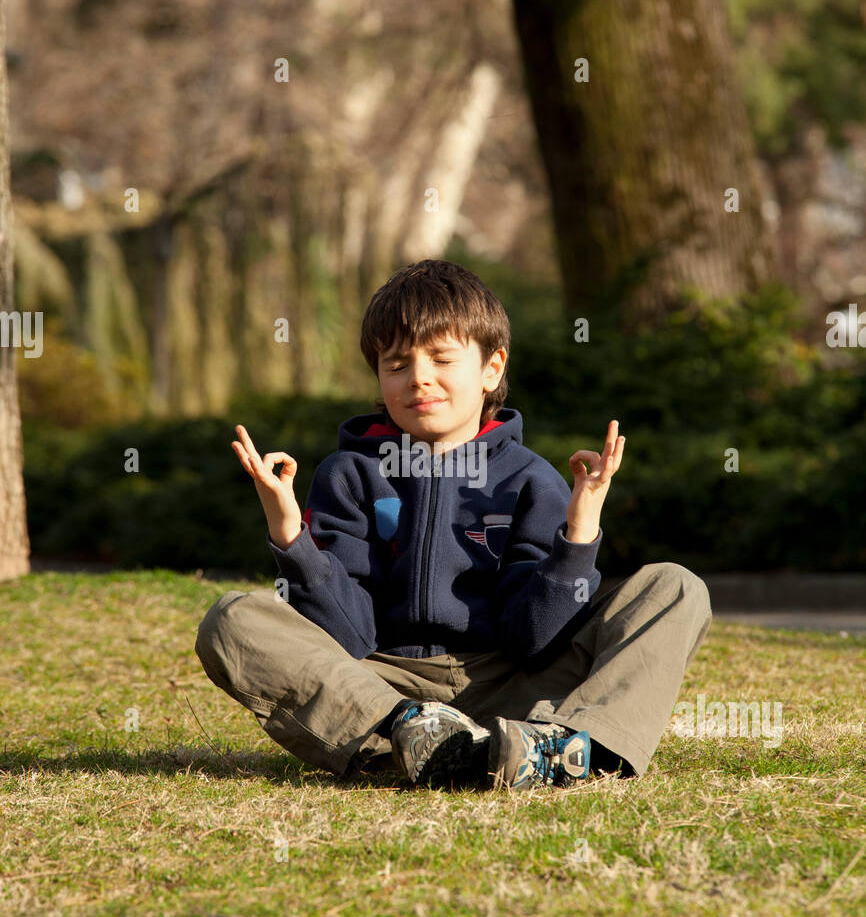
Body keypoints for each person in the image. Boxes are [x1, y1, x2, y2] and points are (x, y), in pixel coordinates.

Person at [195, 259, 712, 790]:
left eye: (442, 358)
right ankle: (420, 742)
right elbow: (349, 636)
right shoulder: (347, 474)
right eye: (396, 364)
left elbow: (533, 639)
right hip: (381, 686)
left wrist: (578, 535)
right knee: (234, 618)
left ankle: (567, 749)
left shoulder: (531, 479)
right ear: (378, 375)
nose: (418, 377)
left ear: (492, 369)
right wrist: (291, 536)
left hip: (512, 685)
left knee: (675, 587)